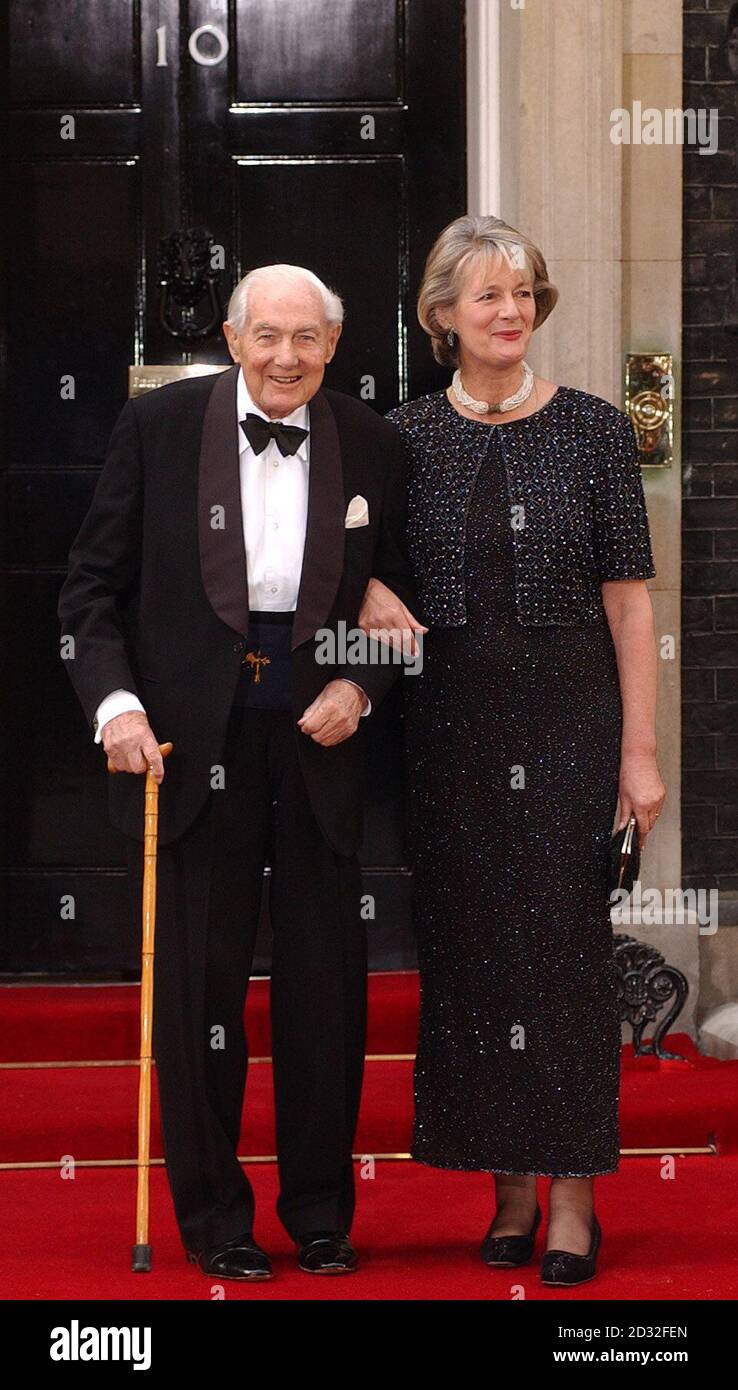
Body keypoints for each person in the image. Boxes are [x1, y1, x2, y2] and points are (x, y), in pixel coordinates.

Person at [57, 263, 415, 1281]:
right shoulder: (159, 429)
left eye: (307, 339)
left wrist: (362, 686)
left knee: (324, 993)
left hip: (318, 745)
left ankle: (320, 1215)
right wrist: (115, 707)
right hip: (185, 746)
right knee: (199, 992)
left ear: (334, 346)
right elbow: (88, 594)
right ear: (232, 333)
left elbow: (410, 615)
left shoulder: (377, 445)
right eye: (267, 336)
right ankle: (215, 1220)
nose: (286, 357)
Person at [359, 215, 666, 1287]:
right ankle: (509, 1189)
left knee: (566, 957)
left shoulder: (592, 431)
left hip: (570, 722)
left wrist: (639, 751)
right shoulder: (401, 438)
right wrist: (367, 585)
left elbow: (630, 607)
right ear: (442, 315)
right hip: (446, 730)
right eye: (486, 296)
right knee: (477, 958)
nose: (509, 312)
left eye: (524, 293)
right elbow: (352, 561)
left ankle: (574, 1194)